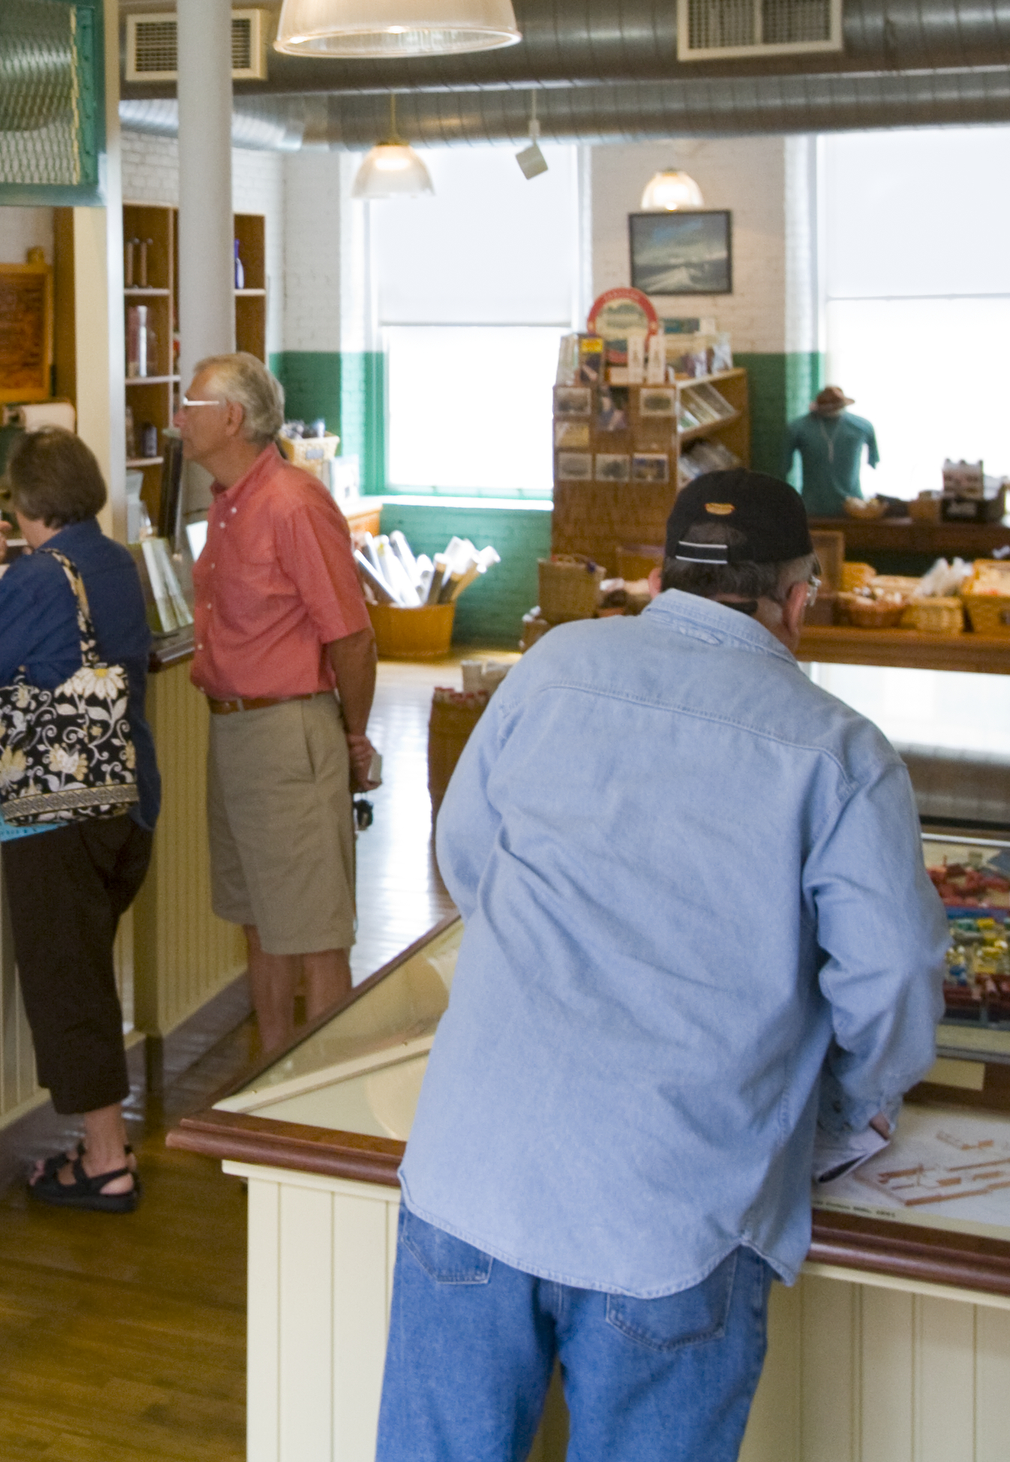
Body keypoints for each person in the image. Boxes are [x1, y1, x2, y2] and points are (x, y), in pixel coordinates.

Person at [379, 470, 945, 1462]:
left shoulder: (553, 666)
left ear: (658, 577)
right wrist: (846, 1112)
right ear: (798, 602)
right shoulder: (841, 754)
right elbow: (892, 981)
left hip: (473, 1168)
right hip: (672, 1209)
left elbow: (468, 857)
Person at [0, 429, 160, 1214]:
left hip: (56, 804)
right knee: (87, 973)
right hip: (124, 796)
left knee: (70, 987)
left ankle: (106, 1162)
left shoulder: (35, 578)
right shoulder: (116, 562)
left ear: (25, 503)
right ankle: (107, 1145)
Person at [177, 352, 375, 1053]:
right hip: (234, 729)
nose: (177, 419)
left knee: (314, 934)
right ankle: (271, 1077)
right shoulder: (228, 504)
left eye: (189, 405)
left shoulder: (292, 502)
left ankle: (318, 1097)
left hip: (290, 728)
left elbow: (351, 636)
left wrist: (353, 737)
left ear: (231, 418)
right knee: (260, 922)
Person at [784, 384, 879, 518]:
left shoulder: (862, 427)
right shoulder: (798, 428)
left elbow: (873, 459)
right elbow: (784, 466)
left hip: (852, 506)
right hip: (812, 507)